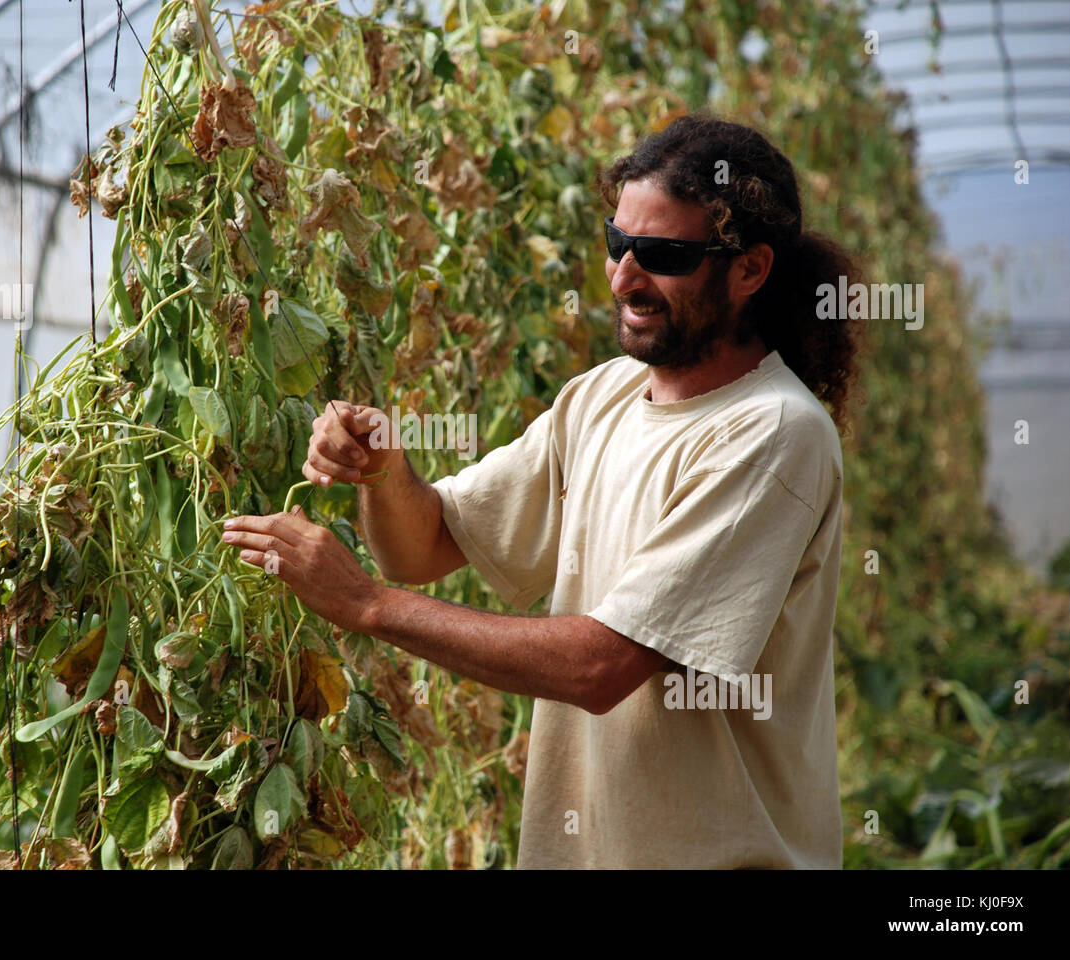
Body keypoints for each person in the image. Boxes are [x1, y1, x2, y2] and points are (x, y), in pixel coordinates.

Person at [222, 113, 864, 868]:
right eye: (616, 244)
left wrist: (363, 605)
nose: (624, 277)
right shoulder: (603, 398)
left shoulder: (774, 434)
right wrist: (385, 471)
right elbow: (423, 544)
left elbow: (600, 668)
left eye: (660, 254)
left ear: (750, 270)